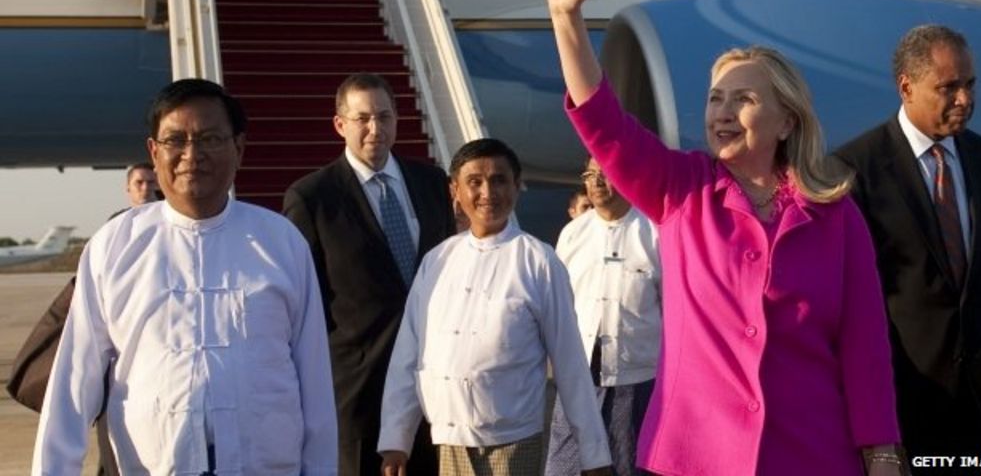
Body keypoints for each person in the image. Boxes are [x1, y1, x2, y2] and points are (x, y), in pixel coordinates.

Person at [546, 0, 902, 475]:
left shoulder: (836, 216)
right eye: (715, 99)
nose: (722, 112)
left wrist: (881, 451)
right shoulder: (680, 190)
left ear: (786, 120)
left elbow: (865, 348)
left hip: (811, 455)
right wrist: (567, 20)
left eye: (743, 99)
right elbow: (604, 125)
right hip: (692, 458)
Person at [31, 79, 337, 474]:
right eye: (176, 140)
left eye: (210, 139)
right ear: (154, 152)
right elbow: (74, 379)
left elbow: (313, 378)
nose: (192, 155)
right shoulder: (116, 245)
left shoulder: (281, 243)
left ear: (239, 148)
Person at [835, 25, 981, 473]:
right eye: (948, 87)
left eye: (970, 84)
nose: (964, 99)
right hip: (902, 417)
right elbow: (851, 314)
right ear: (906, 87)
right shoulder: (852, 170)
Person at [378, 138, 613, 476]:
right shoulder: (437, 261)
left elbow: (570, 362)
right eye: (474, 182)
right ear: (455, 191)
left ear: (517, 187)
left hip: (513, 440)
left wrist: (593, 456)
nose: (487, 193)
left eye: (499, 180)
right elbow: (409, 352)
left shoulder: (538, 260)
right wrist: (396, 440)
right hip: (449, 440)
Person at [283, 72, 454, 476]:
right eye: (362, 118)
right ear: (340, 125)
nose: (375, 128)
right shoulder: (312, 198)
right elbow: (306, 305)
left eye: (384, 116)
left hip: (433, 388)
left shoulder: (431, 183)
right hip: (359, 394)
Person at [9, 162, 163, 476]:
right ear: (128, 189)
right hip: (116, 375)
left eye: (150, 182)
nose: (146, 189)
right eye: (139, 183)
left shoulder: (177, 228)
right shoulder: (114, 232)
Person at [545, 157, 661, 476]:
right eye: (589, 175)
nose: (596, 182)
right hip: (578, 378)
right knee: (565, 467)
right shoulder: (572, 234)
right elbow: (557, 303)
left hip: (635, 380)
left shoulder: (654, 232)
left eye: (605, 174)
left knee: (628, 467)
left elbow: (673, 309)